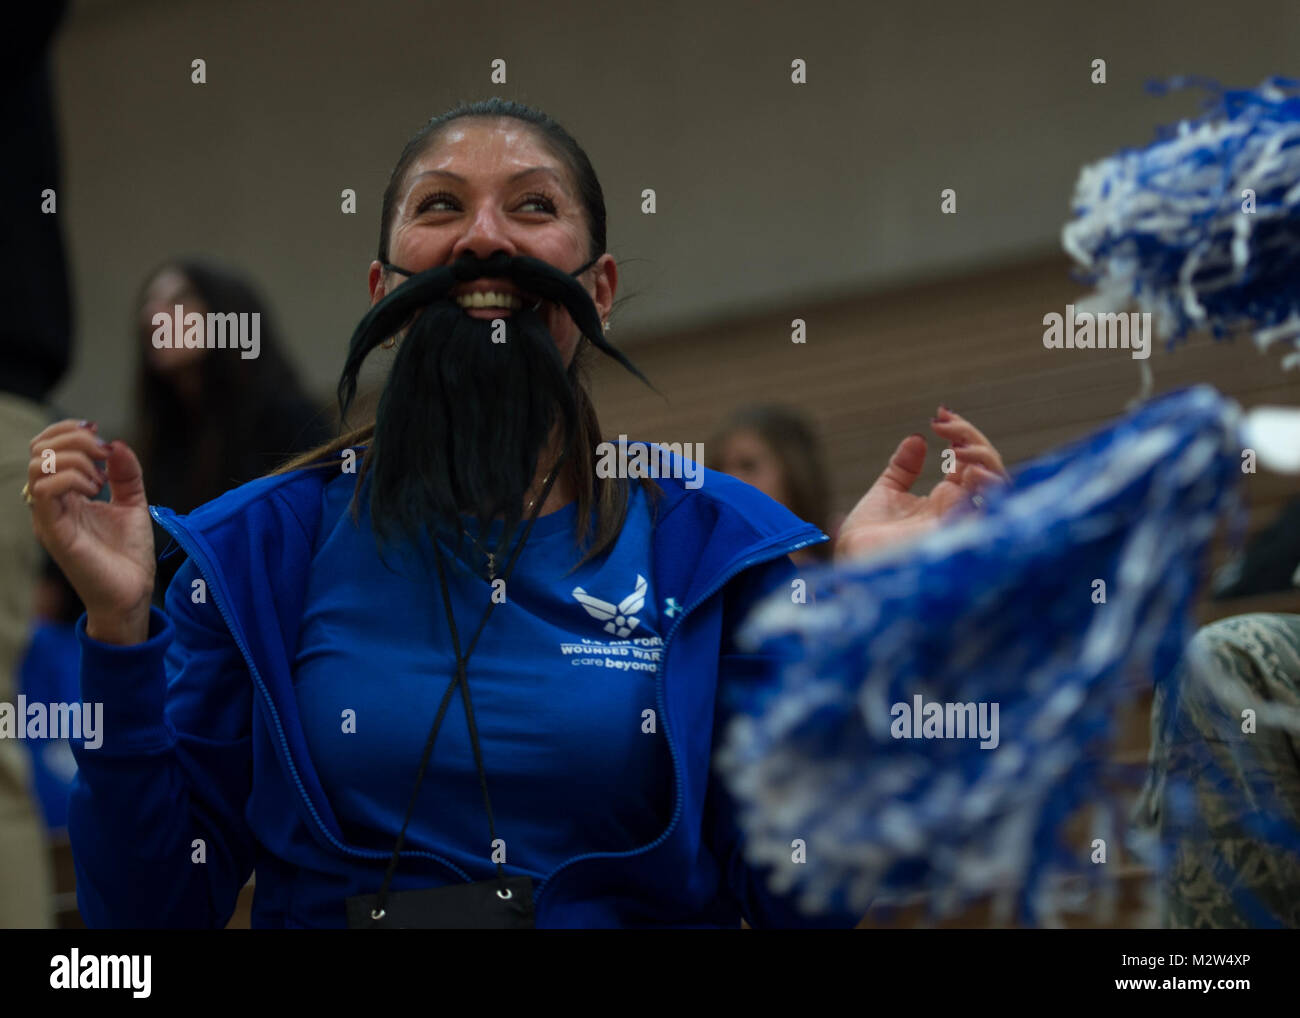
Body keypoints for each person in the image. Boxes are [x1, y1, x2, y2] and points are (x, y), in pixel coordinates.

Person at [23, 98, 1008, 929]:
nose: (484, 238)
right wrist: (118, 634)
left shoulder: (715, 549)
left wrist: (886, 627)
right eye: (440, 206)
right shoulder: (257, 552)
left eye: (532, 206)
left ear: (600, 290)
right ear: (385, 289)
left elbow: (809, 897)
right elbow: (144, 916)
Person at [129, 258, 333, 606]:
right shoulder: (161, 443)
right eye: (150, 303)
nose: (153, 316)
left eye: (179, 300)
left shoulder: (288, 422)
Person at [708, 404, 836, 564]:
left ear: (793, 472)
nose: (729, 479)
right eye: (718, 469)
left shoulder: (852, 565)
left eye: (748, 466)